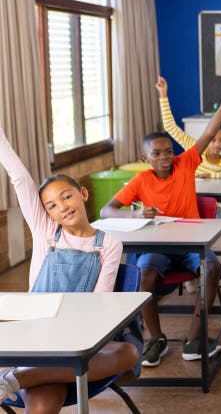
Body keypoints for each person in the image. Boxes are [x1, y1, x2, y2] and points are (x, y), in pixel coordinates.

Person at [100, 74, 221, 367]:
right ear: (146, 158)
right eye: (156, 154)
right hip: (158, 247)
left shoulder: (187, 163)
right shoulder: (141, 180)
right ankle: (155, 338)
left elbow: (209, 130)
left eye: (168, 151)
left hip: (192, 246)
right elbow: (107, 210)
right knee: (144, 274)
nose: (165, 157)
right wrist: (134, 213)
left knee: (211, 267)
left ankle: (195, 337)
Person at [0, 128, 140, 410]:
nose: (62, 207)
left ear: (83, 193)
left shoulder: (108, 244)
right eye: (51, 206)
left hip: (79, 335)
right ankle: (21, 376)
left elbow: (101, 299)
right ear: (46, 214)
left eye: (66, 197)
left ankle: (13, 379)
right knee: (42, 407)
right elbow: (19, 177)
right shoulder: (45, 232)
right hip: (37, 336)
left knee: (129, 353)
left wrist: (78, 330)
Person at [155, 76, 221, 179]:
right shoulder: (194, 146)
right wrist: (163, 95)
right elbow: (169, 126)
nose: (217, 144)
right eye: (213, 140)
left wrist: (211, 176)